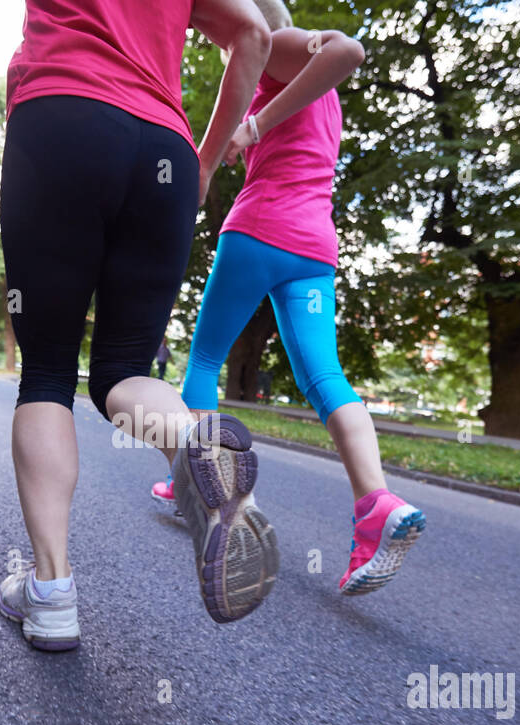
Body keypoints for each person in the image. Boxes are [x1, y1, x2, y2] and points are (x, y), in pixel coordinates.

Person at [0, 0, 276, 650]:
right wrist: (205, 161)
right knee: (124, 370)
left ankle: (52, 594)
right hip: (164, 151)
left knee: (46, 369)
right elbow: (255, 34)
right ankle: (190, 441)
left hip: (61, 117)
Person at [162, 0, 426, 597]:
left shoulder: (281, 45)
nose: (209, 27)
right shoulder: (317, 93)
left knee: (203, 363)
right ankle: (376, 504)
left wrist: (252, 125)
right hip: (313, 247)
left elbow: (349, 50)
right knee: (326, 377)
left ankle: (217, 499)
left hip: (260, 231)